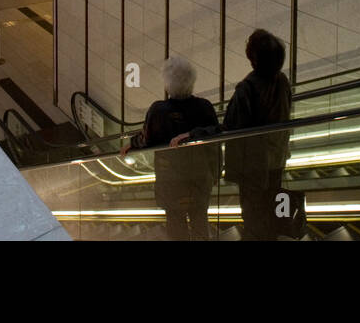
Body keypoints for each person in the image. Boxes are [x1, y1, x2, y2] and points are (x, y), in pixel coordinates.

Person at [173, 29, 292, 240]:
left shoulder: (247, 88)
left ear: (253, 57)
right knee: (270, 214)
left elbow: (228, 128)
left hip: (253, 165)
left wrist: (193, 134)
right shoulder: (282, 81)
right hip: (276, 160)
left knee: (253, 217)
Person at [120, 58, 221, 240]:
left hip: (171, 180)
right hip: (200, 177)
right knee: (200, 221)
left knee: (175, 225)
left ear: (167, 84)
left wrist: (132, 144)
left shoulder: (159, 111)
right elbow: (216, 136)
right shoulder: (204, 107)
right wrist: (216, 172)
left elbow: (147, 138)